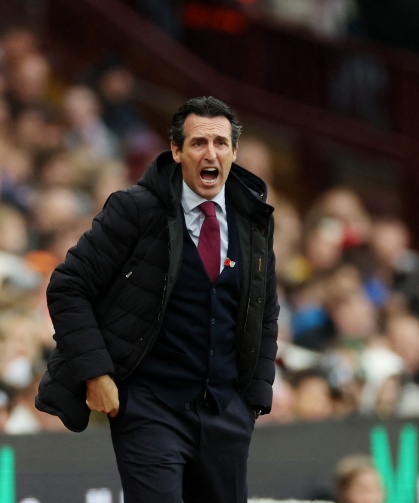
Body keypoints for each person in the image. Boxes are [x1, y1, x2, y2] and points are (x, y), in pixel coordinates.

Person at [34, 96, 280, 502]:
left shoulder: (253, 219)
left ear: (234, 152)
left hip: (226, 413)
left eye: (220, 143)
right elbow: (68, 286)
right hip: (151, 408)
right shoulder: (136, 209)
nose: (211, 153)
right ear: (176, 151)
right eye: (198, 143)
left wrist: (253, 401)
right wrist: (95, 374)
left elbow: (265, 311)